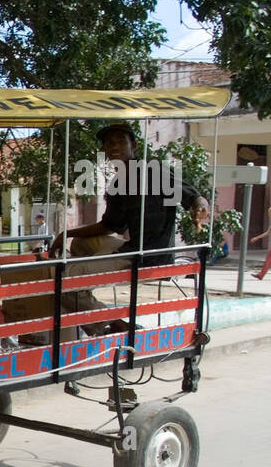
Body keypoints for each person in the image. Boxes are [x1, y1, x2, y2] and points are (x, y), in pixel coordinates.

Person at [47, 122, 181, 334]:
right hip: (130, 247)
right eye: (110, 143)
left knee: (61, 279)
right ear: (104, 151)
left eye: (121, 141)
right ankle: (81, 292)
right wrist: (66, 234)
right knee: (80, 243)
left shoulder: (153, 171)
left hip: (146, 256)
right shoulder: (118, 183)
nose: (115, 147)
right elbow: (110, 225)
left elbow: (188, 192)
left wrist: (199, 205)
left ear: (133, 146)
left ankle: (109, 321)